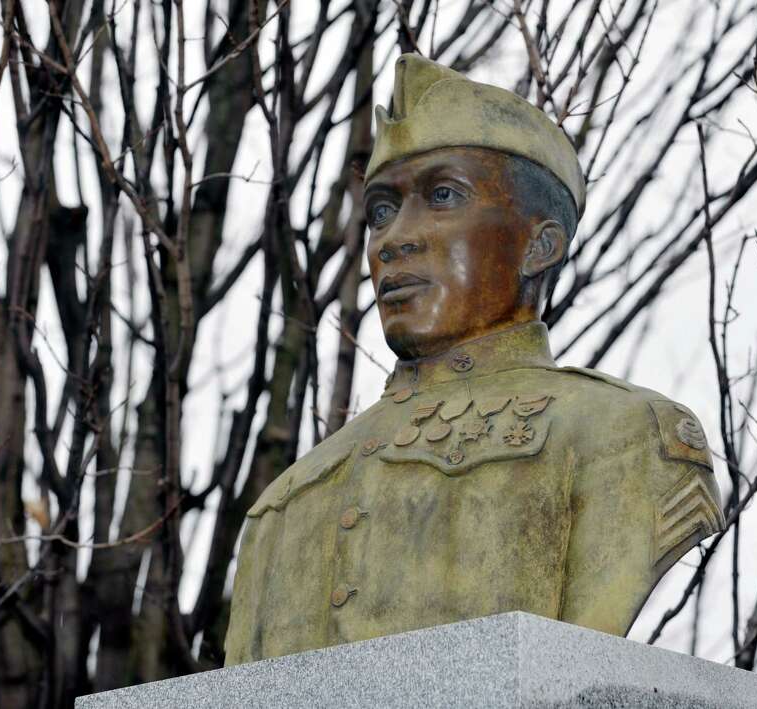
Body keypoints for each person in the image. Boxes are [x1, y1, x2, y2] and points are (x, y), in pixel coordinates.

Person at [224, 54, 723, 664]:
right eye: (380, 210)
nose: (393, 238)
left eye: (442, 195)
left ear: (540, 245)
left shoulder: (622, 435)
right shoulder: (286, 500)